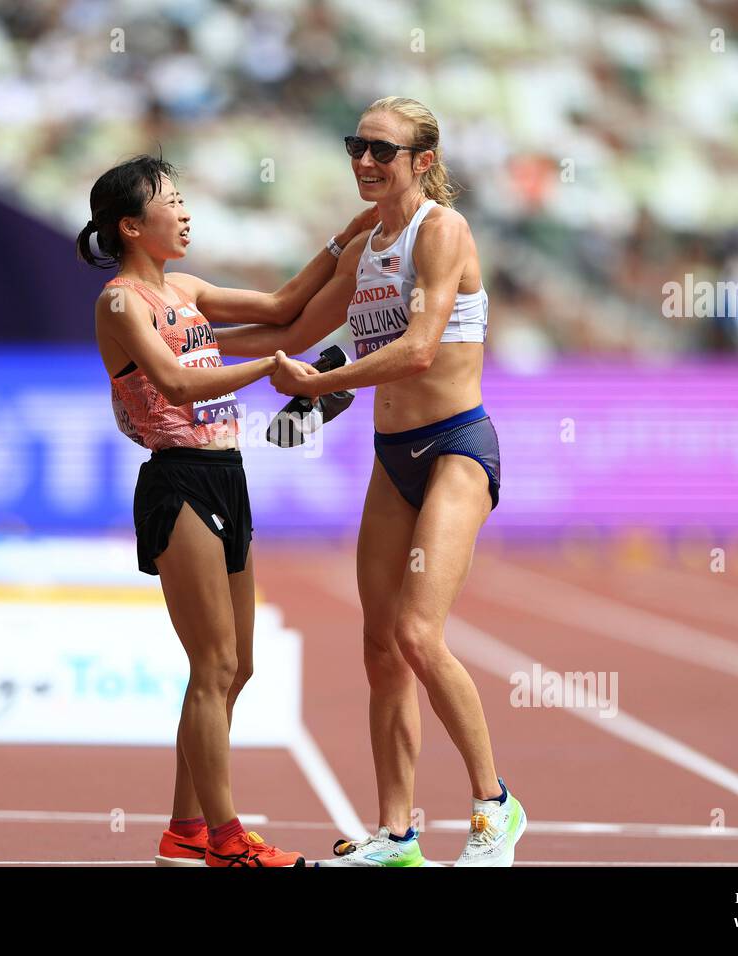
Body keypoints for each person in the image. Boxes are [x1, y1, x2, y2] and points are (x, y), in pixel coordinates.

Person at [216, 97, 525, 866]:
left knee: (421, 635)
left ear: (422, 161)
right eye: (356, 145)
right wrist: (182, 338)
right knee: (381, 649)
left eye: (381, 151)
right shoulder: (365, 246)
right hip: (395, 457)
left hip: (456, 446)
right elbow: (290, 327)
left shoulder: (441, 232)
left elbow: (420, 350)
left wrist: (321, 389)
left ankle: (495, 807)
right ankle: (396, 837)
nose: (363, 160)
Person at [78, 154, 376, 867]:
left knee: (236, 667)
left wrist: (352, 241)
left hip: (227, 477)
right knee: (211, 665)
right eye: (171, 202)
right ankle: (226, 840)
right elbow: (178, 383)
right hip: (177, 480)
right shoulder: (120, 302)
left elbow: (282, 310)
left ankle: (184, 831)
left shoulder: (185, 287)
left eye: (184, 200)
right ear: (130, 225)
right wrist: (271, 371)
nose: (184, 213)